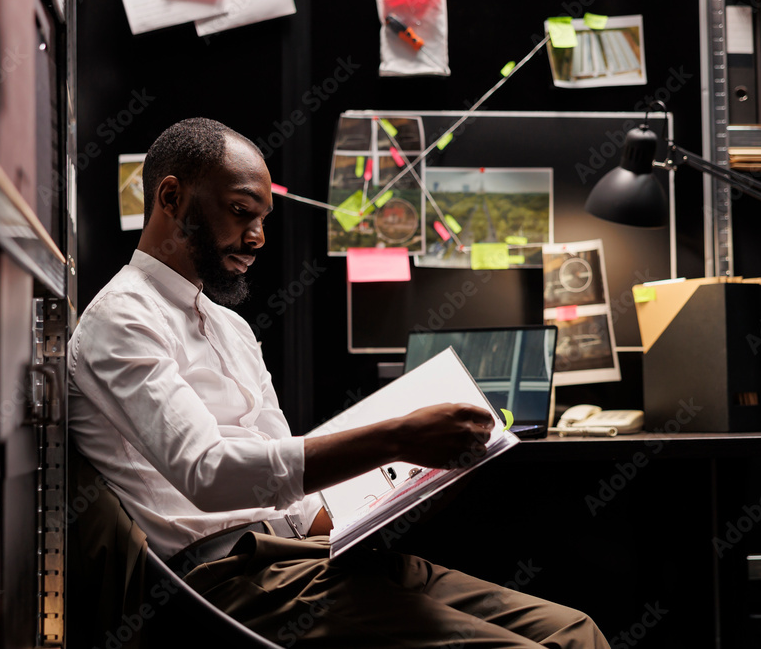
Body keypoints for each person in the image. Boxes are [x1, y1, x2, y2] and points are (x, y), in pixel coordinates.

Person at [68, 117, 610, 648]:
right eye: (240, 213)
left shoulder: (230, 326)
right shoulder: (122, 319)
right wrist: (396, 438)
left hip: (312, 554)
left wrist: (408, 490)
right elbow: (207, 473)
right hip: (234, 578)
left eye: (263, 218)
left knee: (574, 631)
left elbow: (293, 491)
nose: (256, 238)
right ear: (170, 199)